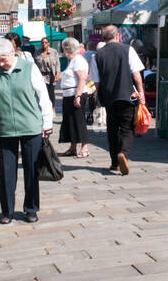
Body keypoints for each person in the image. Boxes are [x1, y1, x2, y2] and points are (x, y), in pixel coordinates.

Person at [0, 37, 54, 224]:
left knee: (31, 170)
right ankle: (7, 211)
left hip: (30, 126)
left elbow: (43, 96)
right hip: (5, 128)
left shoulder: (29, 68)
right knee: (6, 172)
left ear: (12, 53)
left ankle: (31, 208)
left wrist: (47, 122)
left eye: (2, 59)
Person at [94, 24, 145, 174]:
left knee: (112, 129)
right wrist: (141, 93)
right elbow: (136, 75)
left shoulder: (97, 55)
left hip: (109, 98)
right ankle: (123, 152)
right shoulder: (128, 49)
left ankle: (115, 162)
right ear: (118, 36)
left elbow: (96, 82)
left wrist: (102, 95)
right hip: (127, 95)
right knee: (126, 128)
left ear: (104, 38)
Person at [57, 37, 91, 158]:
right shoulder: (72, 61)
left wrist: (77, 96)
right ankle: (73, 147)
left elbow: (82, 78)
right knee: (70, 122)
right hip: (69, 94)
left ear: (67, 48)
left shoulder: (78, 60)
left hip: (75, 93)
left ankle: (84, 148)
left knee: (78, 121)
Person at [33, 38, 60, 111]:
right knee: (42, 92)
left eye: (45, 42)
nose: (44, 44)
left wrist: (57, 74)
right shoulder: (37, 53)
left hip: (51, 75)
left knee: (51, 93)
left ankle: (52, 108)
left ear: (48, 43)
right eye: (42, 42)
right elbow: (34, 65)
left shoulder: (54, 52)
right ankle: (44, 108)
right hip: (41, 76)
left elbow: (57, 64)